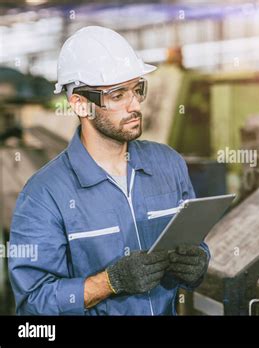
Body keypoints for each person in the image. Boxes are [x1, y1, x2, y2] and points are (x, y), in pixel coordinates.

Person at [8, 26, 209, 315]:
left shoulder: (168, 164)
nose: (135, 104)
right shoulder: (44, 194)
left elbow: (194, 242)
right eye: (117, 95)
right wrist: (110, 282)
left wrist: (198, 261)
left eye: (137, 89)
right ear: (80, 105)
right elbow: (33, 304)